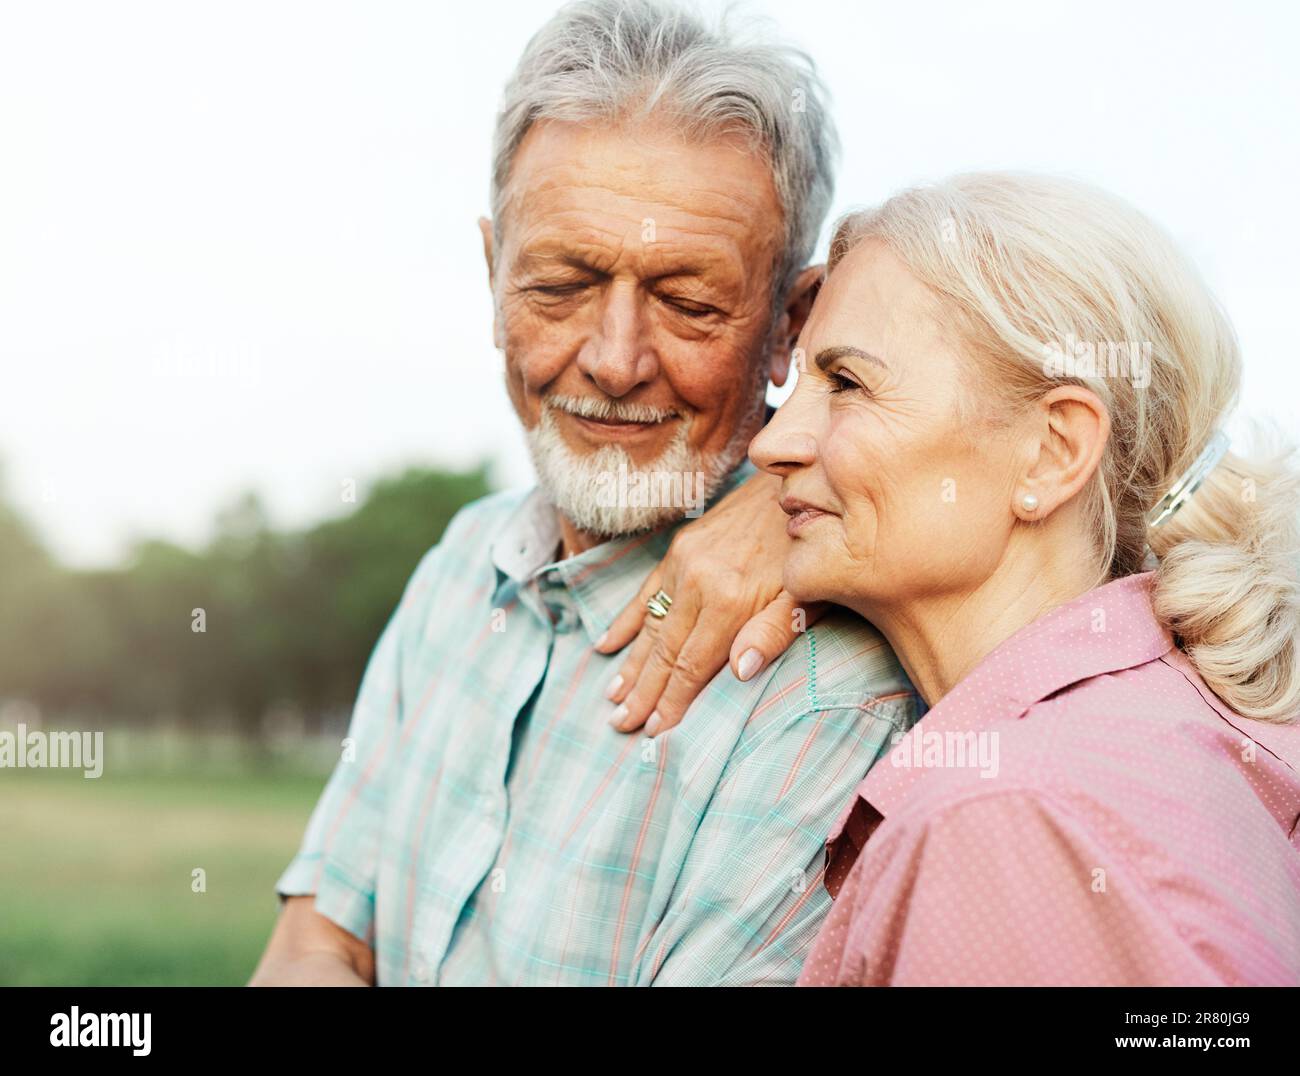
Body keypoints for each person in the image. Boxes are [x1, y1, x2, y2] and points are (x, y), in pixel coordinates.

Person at [249, 0, 919, 987]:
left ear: (790, 326)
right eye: (560, 283)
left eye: (687, 302)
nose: (613, 361)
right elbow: (319, 940)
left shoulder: (826, 696)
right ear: (491, 279)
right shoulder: (458, 564)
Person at [741, 171, 1300, 985]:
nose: (772, 442)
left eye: (848, 384)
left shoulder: (1004, 821)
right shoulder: (1177, 725)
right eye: (796, 388)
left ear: (1052, 451)